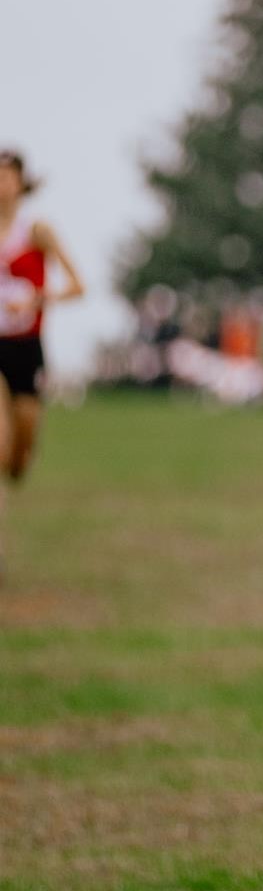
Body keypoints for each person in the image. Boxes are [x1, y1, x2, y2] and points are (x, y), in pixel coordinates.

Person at [0, 150, 85, 579]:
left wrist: (36, 297)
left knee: (19, 449)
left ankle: (20, 458)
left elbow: (77, 285)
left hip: (26, 346)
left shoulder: (37, 232)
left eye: (7, 176)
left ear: (21, 183)